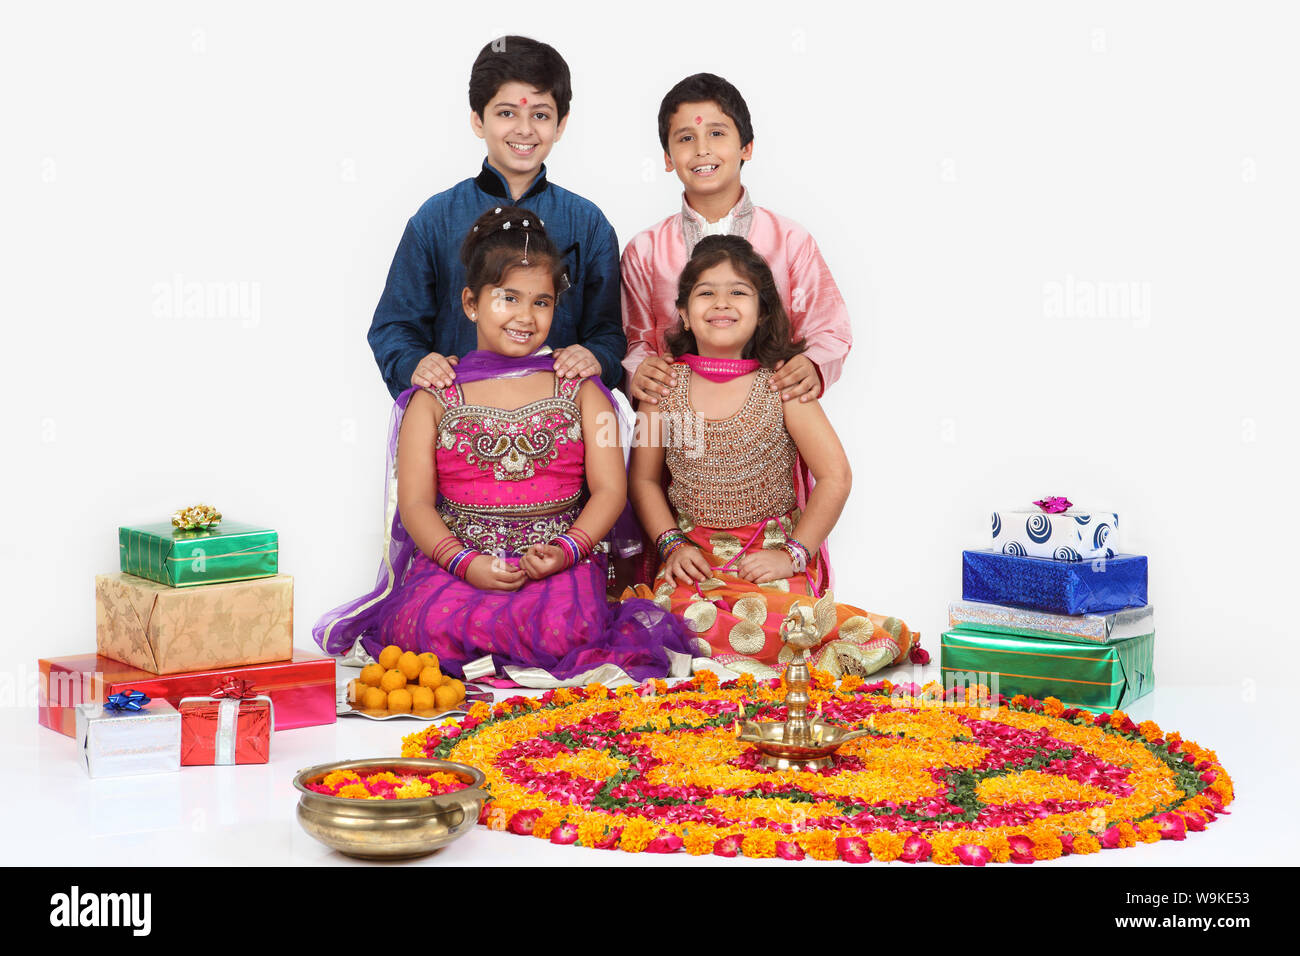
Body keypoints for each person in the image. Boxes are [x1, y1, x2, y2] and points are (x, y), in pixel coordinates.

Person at [317, 208, 694, 686]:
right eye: (508, 298)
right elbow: (413, 503)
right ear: (471, 303)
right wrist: (464, 562)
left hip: (555, 561)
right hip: (459, 559)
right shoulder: (434, 394)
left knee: (564, 631)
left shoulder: (580, 387)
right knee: (431, 630)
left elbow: (610, 492)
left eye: (542, 302)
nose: (525, 316)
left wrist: (565, 550)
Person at [622, 236, 921, 679]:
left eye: (738, 292)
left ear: (762, 311)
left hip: (767, 560)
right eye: (706, 292)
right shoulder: (661, 388)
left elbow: (835, 475)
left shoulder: (783, 387)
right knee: (668, 616)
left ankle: (736, 652)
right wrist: (672, 544)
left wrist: (794, 554)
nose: (721, 303)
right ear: (683, 311)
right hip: (695, 562)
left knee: (792, 623)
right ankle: (723, 650)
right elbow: (644, 481)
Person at [368, 35, 626, 400]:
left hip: (559, 430)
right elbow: (394, 326)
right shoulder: (435, 219)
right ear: (477, 119)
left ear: (561, 124)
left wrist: (596, 356)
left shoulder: (589, 224)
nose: (524, 129)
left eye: (540, 114)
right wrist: (414, 363)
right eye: (507, 113)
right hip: (456, 421)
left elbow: (609, 333)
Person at [621, 73, 852, 409]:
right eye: (686, 138)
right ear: (668, 158)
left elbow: (828, 328)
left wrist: (814, 364)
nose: (702, 149)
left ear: (747, 147)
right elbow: (635, 340)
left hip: (774, 418)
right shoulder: (645, 251)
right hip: (677, 429)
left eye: (716, 133)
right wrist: (639, 370)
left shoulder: (790, 240)